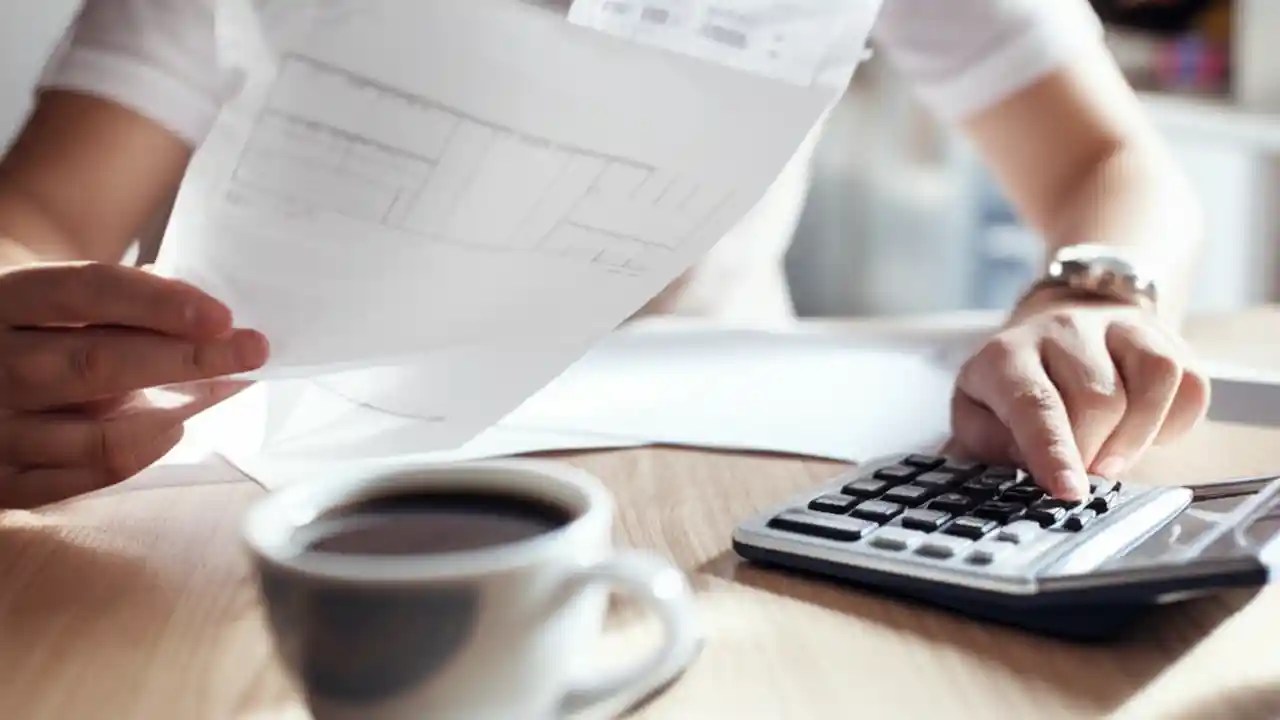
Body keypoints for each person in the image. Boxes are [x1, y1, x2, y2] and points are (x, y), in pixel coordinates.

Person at [0, 0, 1209, 509]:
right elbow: (40, 218)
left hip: (720, 488)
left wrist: (1098, 289)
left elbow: (1109, 160)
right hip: (262, 499)